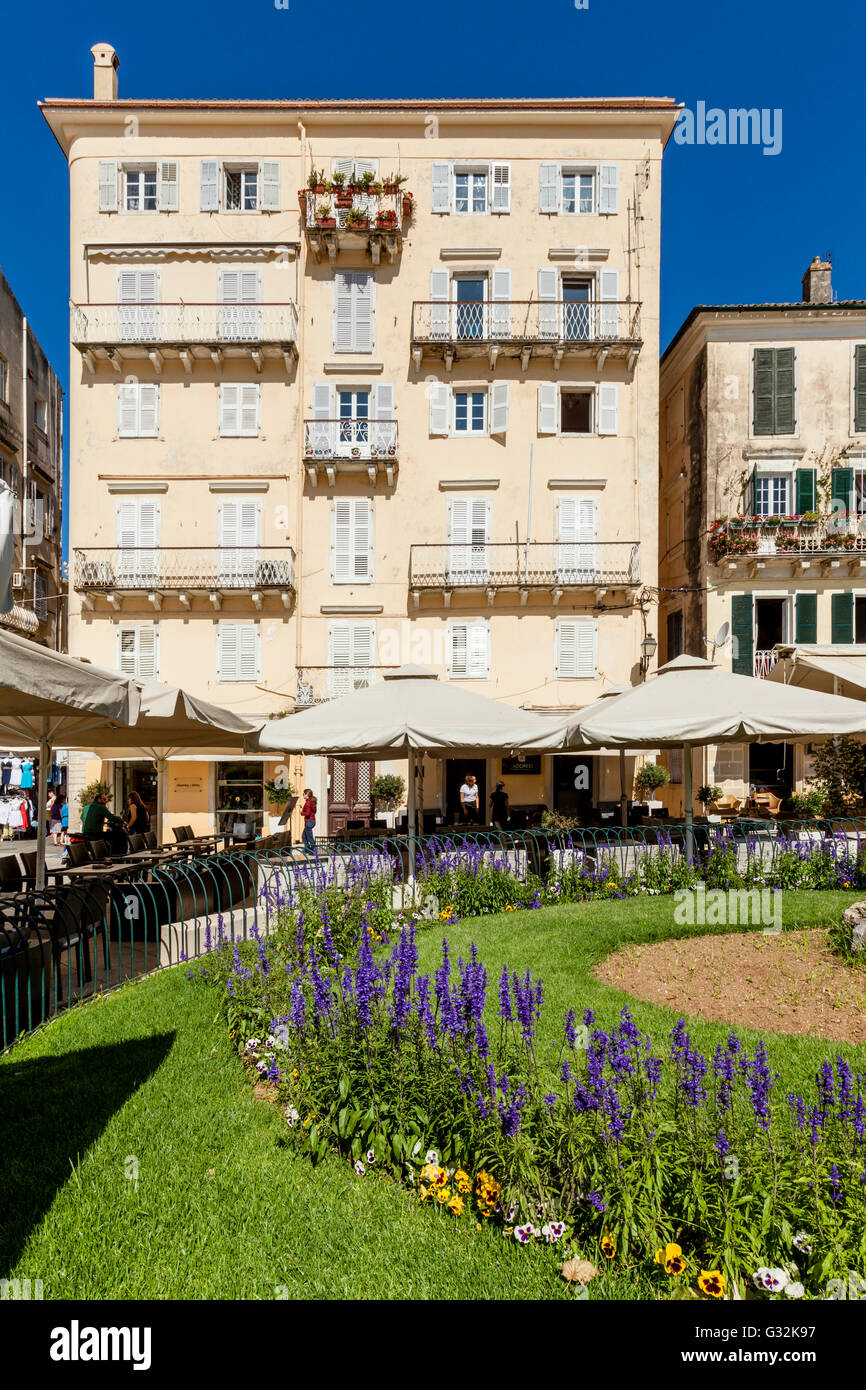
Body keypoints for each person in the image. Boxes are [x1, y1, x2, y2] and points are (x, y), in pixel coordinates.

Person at [300, 788, 318, 856]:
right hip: (312, 821)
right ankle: (308, 850)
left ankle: (314, 850)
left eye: (303, 794)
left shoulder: (308, 802)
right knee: (304, 836)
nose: (303, 795)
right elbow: (313, 811)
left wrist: (301, 812)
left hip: (309, 822)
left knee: (309, 837)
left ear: (306, 794)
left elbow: (307, 813)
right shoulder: (312, 801)